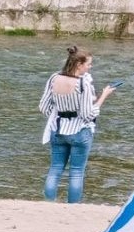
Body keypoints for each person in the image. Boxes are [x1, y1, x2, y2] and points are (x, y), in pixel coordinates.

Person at [39, 45, 116, 204]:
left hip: (58, 130)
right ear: (79, 64)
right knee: (76, 172)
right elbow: (88, 115)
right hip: (80, 132)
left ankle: (48, 203)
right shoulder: (83, 84)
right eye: (88, 64)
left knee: (55, 169)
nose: (90, 67)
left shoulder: (54, 78)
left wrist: (61, 112)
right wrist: (104, 96)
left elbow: (44, 107)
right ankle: (73, 206)